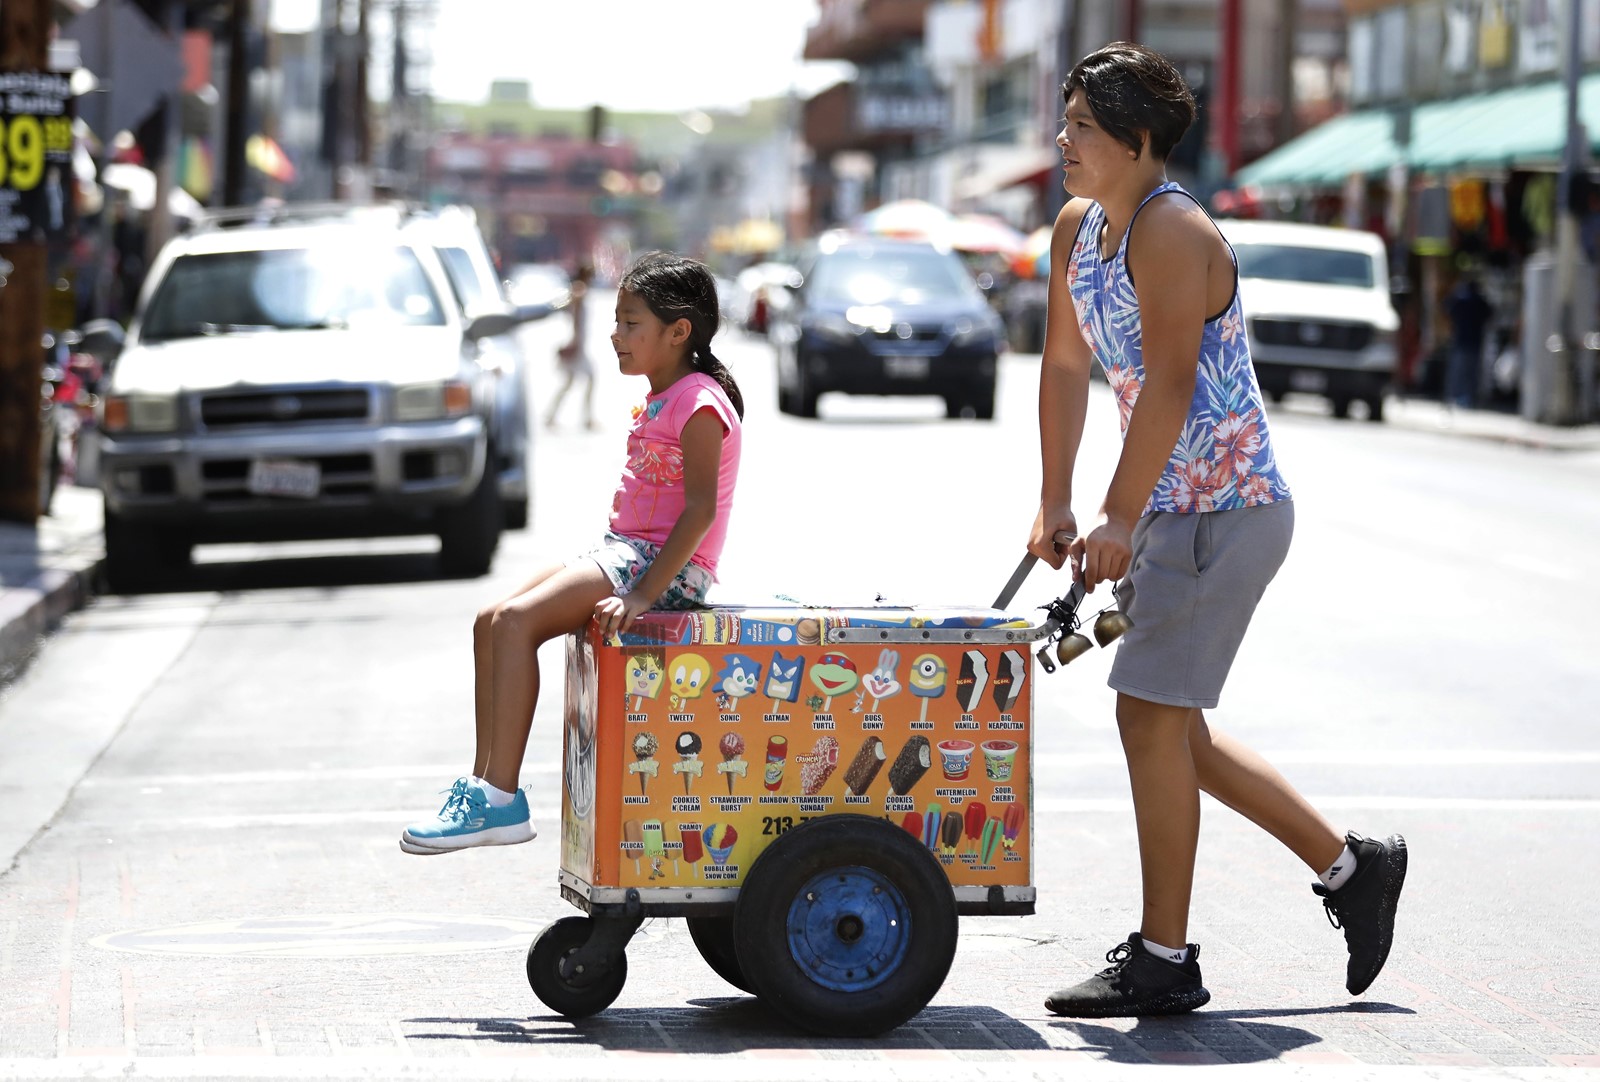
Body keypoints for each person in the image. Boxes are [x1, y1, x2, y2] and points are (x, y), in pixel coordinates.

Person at [1029, 42, 1407, 1017]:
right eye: (1064, 120)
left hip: (1220, 509)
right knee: (1173, 728)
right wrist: (1056, 499)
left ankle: (1163, 956)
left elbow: (1169, 384)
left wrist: (1117, 512)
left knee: (1145, 714)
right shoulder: (1081, 228)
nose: (1061, 140)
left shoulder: (1170, 230)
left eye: (1081, 126)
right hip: (1174, 507)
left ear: (1138, 139)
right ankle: (1350, 868)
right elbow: (1066, 366)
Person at [401, 252, 743, 853]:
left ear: (678, 331)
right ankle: (484, 787)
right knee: (490, 621)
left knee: (515, 623)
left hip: (664, 567)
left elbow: (700, 512)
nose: (616, 335)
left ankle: (501, 798)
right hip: (624, 550)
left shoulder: (699, 401)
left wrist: (640, 595)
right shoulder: (664, 394)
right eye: (616, 321)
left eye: (631, 323)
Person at [546, 263, 598, 430]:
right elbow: (575, 317)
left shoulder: (578, 290)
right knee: (588, 379)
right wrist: (574, 343)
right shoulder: (579, 290)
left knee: (571, 382)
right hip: (578, 343)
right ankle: (586, 419)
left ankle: (552, 416)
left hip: (579, 342)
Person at [1444, 270, 1492, 409]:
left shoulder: (1459, 298)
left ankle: (1456, 397)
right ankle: (1468, 397)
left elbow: (1447, 309)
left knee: (1459, 372)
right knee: (1472, 372)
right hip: (1474, 341)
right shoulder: (1479, 300)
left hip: (1461, 340)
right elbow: (1490, 314)